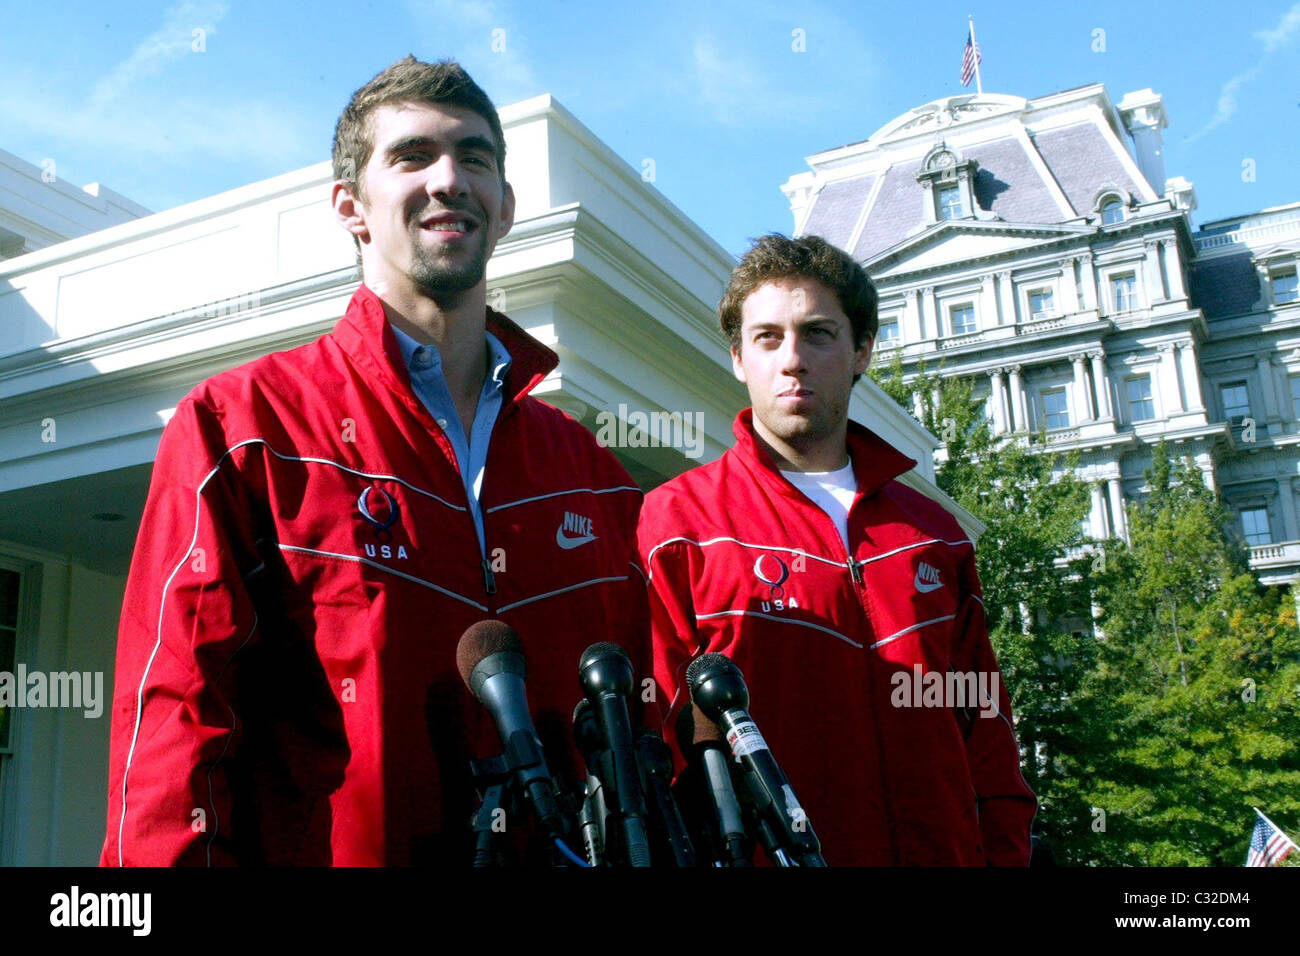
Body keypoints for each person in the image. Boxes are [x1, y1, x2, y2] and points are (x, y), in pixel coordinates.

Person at [100, 56, 649, 866]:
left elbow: (643, 735)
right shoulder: (242, 428)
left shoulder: (595, 477)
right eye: (412, 157)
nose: (449, 179)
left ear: (505, 208)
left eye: (475, 158)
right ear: (350, 208)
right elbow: (175, 714)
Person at [637, 233, 1036, 865]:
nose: (792, 358)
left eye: (818, 333)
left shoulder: (932, 534)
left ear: (862, 352)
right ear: (739, 358)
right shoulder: (679, 521)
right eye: (767, 337)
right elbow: (658, 744)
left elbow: (983, 727)